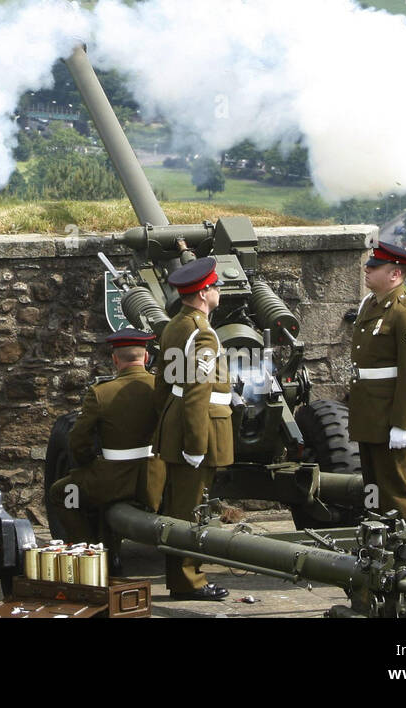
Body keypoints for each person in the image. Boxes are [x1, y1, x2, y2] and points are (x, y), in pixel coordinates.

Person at [153, 257, 234, 600]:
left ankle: (182, 577)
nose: (217, 291)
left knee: (181, 507)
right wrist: (196, 445)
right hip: (197, 427)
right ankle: (189, 582)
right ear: (203, 293)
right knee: (190, 509)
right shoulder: (202, 334)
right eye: (214, 287)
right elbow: (198, 389)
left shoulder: (175, 324)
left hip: (176, 419)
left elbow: (164, 381)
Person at [48, 327, 165, 546]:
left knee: (61, 494)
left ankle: (89, 548)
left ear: (114, 359)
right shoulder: (161, 388)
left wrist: (87, 466)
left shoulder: (102, 393)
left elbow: (78, 440)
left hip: (111, 481)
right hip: (157, 478)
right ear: (146, 357)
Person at [348, 241, 406, 519]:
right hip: (369, 414)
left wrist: (402, 424)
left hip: (389, 416)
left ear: (394, 274)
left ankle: (395, 542)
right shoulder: (370, 304)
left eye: (374, 267)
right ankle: (373, 533)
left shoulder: (405, 315)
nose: (366, 270)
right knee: (371, 486)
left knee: (392, 488)